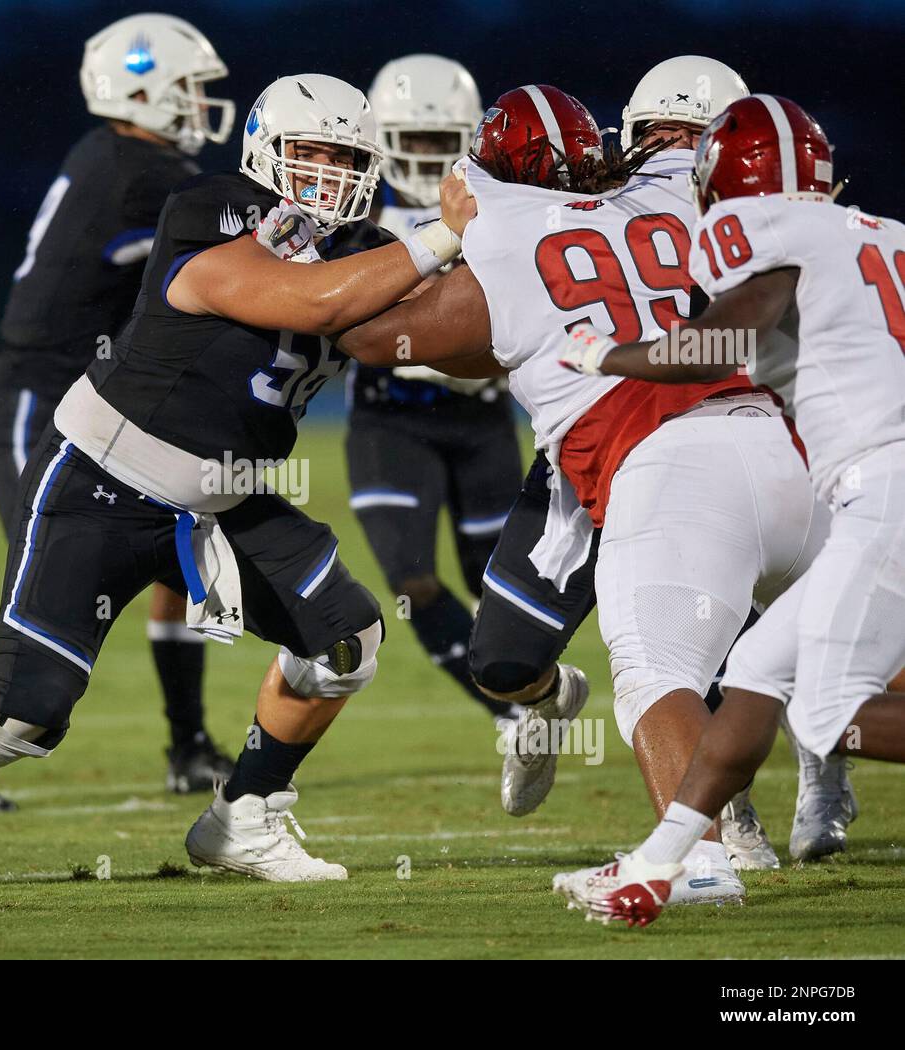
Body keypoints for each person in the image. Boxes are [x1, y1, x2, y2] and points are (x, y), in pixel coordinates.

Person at [0, 73, 475, 891]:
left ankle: (245, 818)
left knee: (344, 639)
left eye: (345, 156)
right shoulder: (210, 210)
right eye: (310, 151)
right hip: (104, 479)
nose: (329, 171)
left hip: (223, 495)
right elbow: (303, 302)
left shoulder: (361, 246)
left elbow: (422, 336)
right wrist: (439, 242)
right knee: (22, 708)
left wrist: (525, 298)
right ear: (267, 148)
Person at [337, 82, 823, 906]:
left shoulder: (504, 231)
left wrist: (413, 249)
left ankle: (698, 854)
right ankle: (717, 792)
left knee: (658, 671)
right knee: (846, 653)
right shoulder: (681, 190)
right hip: (775, 443)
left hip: (656, 464)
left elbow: (378, 337)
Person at [552, 95, 905, 926]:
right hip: (867, 491)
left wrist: (602, 352)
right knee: (752, 677)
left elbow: (719, 344)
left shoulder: (759, 229)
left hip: (882, 487)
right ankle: (665, 863)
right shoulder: (885, 235)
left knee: (827, 708)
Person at [0, 14, 237, 807]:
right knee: (51, 572)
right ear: (141, 88)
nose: (199, 103)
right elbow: (221, 259)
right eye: (187, 88)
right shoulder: (136, 171)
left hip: (91, 401)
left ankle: (187, 744)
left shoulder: (125, 159)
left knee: (177, 551)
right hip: (34, 396)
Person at [346, 53, 522, 722]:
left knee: (501, 590)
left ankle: (525, 689)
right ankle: (511, 716)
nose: (421, 154)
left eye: (435, 139)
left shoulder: (499, 209)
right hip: (390, 417)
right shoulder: (354, 213)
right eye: (410, 138)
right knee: (410, 579)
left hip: (480, 416)